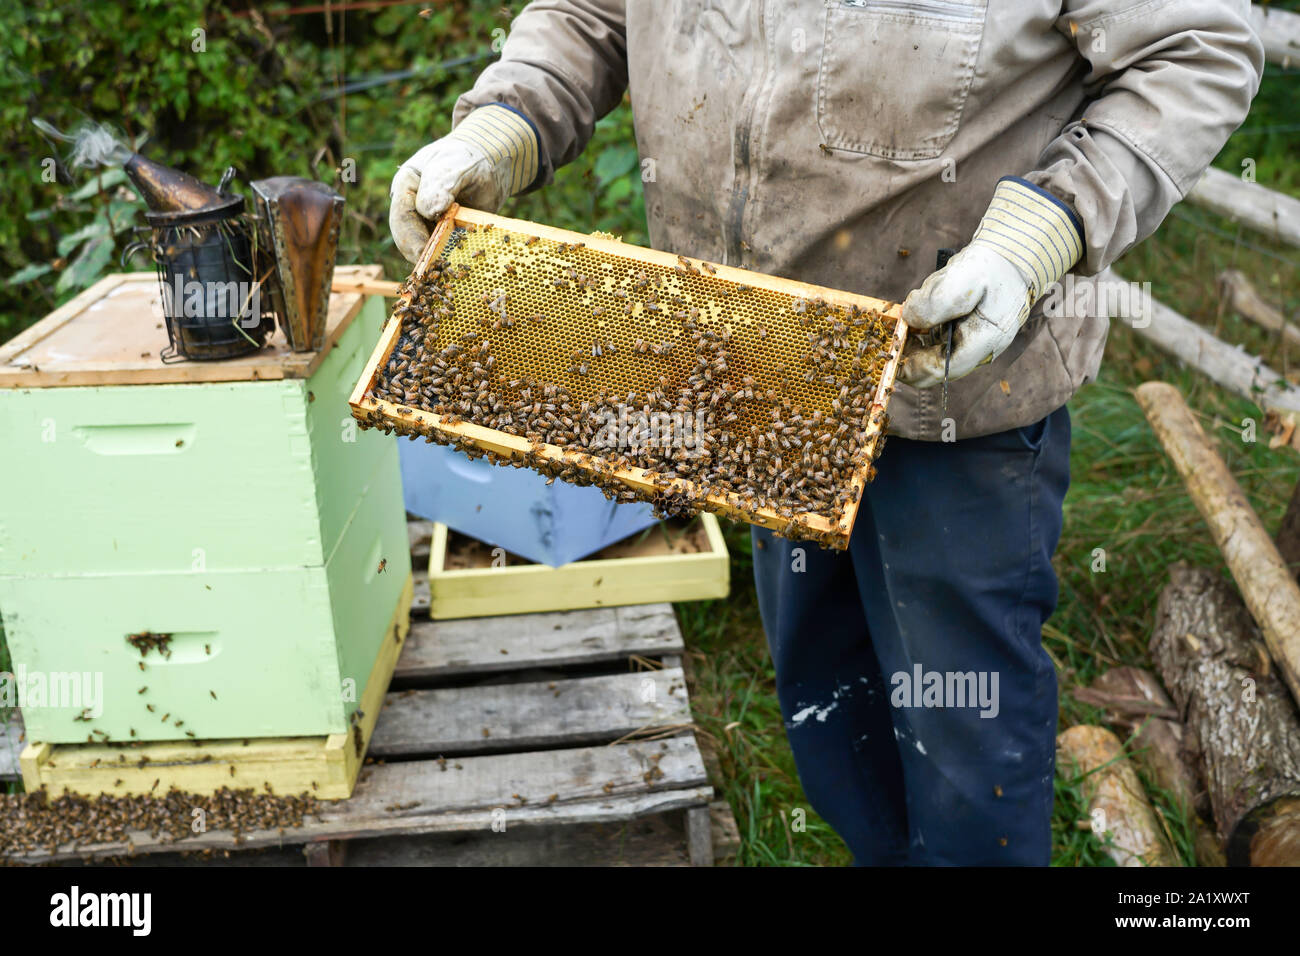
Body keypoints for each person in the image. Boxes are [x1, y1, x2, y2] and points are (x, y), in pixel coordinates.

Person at [389, 0, 1263, 864]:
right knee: (825, 698)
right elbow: (592, 13)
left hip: (960, 390)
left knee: (963, 736)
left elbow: (1199, 49)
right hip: (761, 375)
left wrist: (1047, 226)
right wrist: (506, 121)